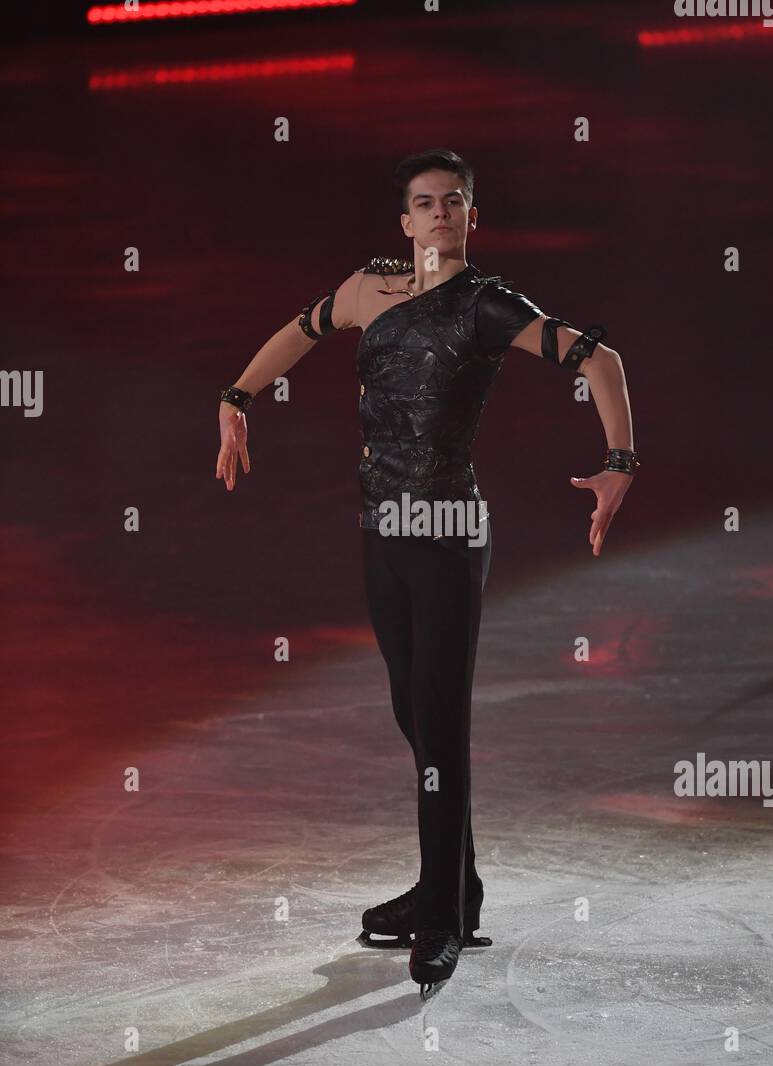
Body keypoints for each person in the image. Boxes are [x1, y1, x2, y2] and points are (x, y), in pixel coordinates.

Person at [216, 148, 638, 1000]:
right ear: (404, 221)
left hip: (447, 530)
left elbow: (601, 360)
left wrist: (619, 460)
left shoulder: (487, 305)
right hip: (382, 526)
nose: (440, 213)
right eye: (424, 202)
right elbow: (300, 331)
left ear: (471, 218)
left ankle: (447, 921)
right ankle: (451, 885)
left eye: (454, 202)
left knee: (440, 724)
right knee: (413, 708)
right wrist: (236, 398)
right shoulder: (369, 287)